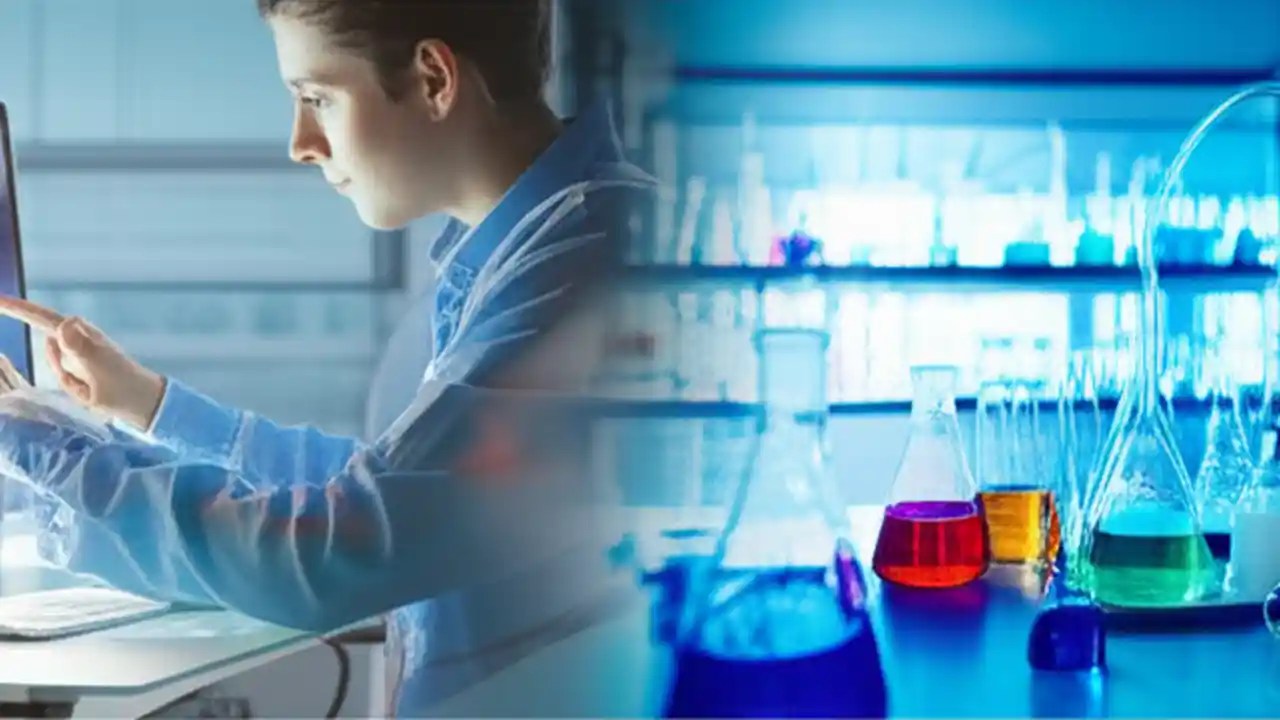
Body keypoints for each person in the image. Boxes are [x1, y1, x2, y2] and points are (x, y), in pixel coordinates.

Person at [0, 0, 660, 716]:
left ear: (435, 79)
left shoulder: (580, 270)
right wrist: (152, 407)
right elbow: (400, 494)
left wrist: (37, 447)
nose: (301, 143)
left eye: (316, 98)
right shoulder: (545, 243)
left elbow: (336, 551)